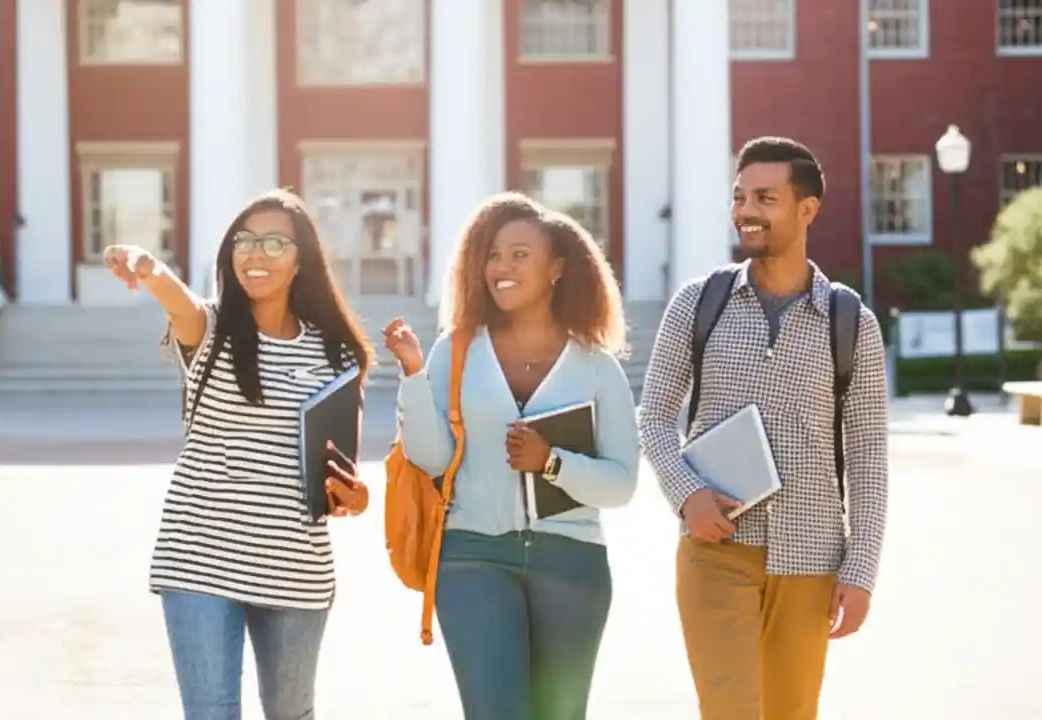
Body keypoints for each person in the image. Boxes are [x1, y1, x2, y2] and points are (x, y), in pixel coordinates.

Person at [638, 137, 889, 719]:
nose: (746, 210)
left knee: (789, 713)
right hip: (715, 548)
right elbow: (653, 418)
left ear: (807, 209)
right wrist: (687, 495)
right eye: (740, 196)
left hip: (811, 557)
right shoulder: (697, 303)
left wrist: (861, 569)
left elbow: (869, 456)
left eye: (765, 198)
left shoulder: (851, 323)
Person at [102, 188, 372, 720]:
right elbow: (178, 301)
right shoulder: (210, 329)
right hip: (200, 558)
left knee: (292, 714)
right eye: (244, 242)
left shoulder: (336, 353)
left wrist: (354, 498)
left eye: (275, 243)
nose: (256, 254)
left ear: (301, 261)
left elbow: (341, 473)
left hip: (294, 567)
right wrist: (149, 267)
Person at [383, 192, 640, 720]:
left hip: (571, 559)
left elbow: (622, 484)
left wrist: (552, 462)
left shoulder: (597, 367)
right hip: (473, 555)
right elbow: (433, 459)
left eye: (520, 254)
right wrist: (412, 375)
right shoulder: (455, 350)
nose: (502, 267)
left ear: (557, 267)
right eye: (493, 255)